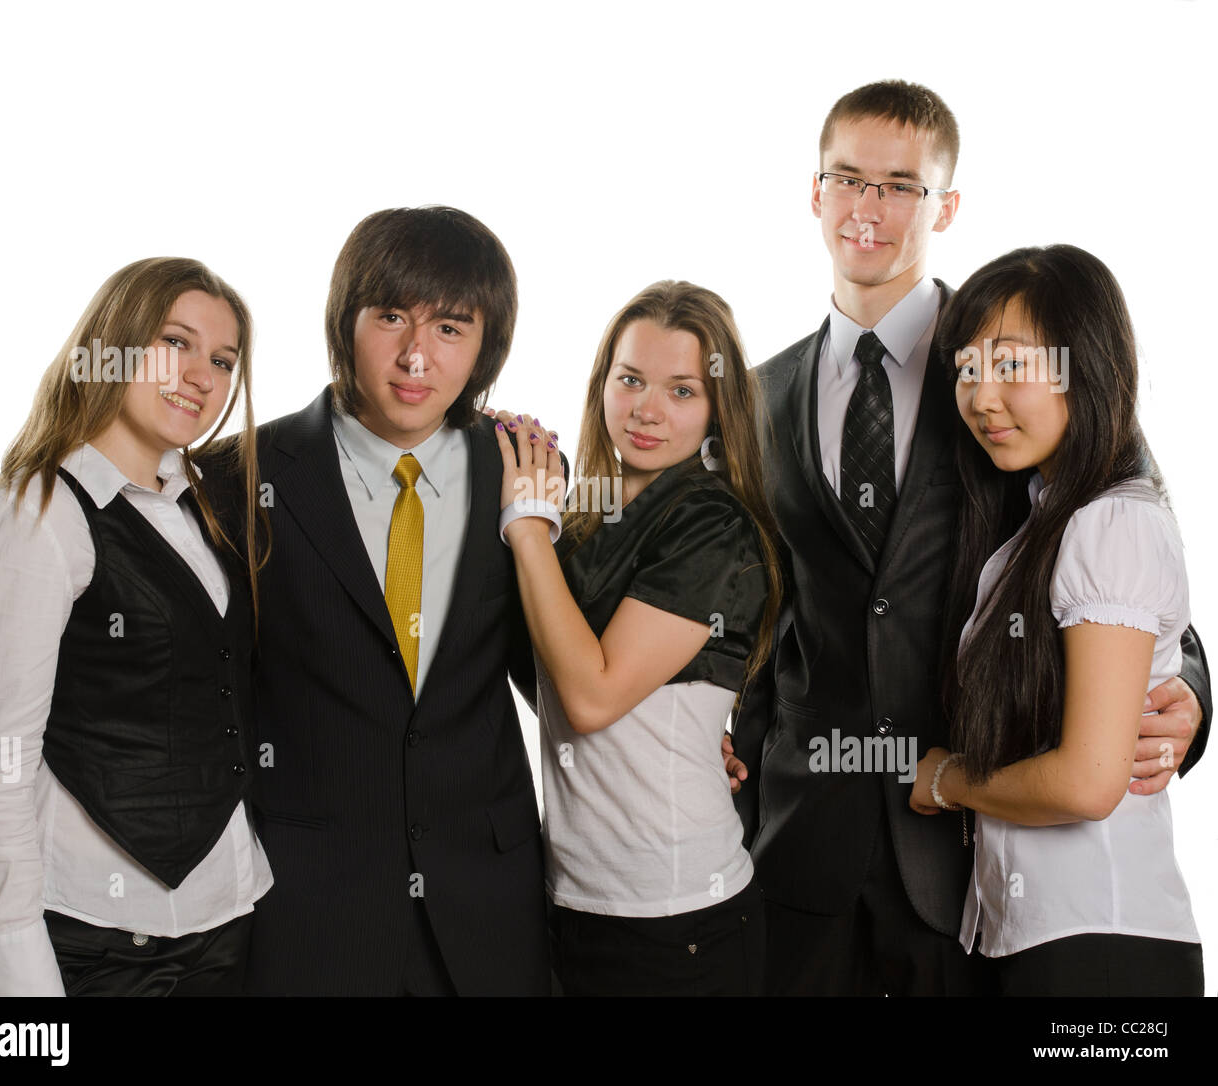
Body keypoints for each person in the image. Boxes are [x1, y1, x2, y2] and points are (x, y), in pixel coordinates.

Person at [726, 79, 1211, 996]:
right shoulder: (753, 398)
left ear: (946, 205)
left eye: (901, 185)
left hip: (967, 861)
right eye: (847, 178)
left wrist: (1188, 686)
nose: (869, 208)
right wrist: (724, 741)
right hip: (801, 845)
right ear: (814, 192)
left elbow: (1128, 536)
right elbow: (754, 607)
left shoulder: (1019, 365)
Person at [207, 206, 552, 996]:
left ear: (485, 346)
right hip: (309, 901)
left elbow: (554, 668)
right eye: (390, 317)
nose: (415, 356)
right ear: (345, 321)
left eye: (451, 328)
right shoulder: (238, 476)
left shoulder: (522, 468)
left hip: (486, 903)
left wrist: (684, 731)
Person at [0, 257, 271, 996]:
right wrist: (21, 973)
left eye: (222, 360)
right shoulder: (37, 513)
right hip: (97, 940)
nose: (200, 375)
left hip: (229, 914)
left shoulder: (204, 504)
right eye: (175, 342)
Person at [908, 244, 1203, 996]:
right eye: (968, 370)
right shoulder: (1037, 521)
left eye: (1011, 366)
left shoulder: (1111, 522)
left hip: (1099, 949)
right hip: (1030, 938)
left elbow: (1087, 784)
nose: (981, 397)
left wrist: (949, 781)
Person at [495, 280, 783, 995]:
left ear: (719, 407)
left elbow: (590, 699)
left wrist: (527, 527)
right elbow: (556, 686)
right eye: (630, 380)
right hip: (574, 898)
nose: (647, 410)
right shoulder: (587, 519)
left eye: (682, 391)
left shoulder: (711, 524)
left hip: (677, 917)